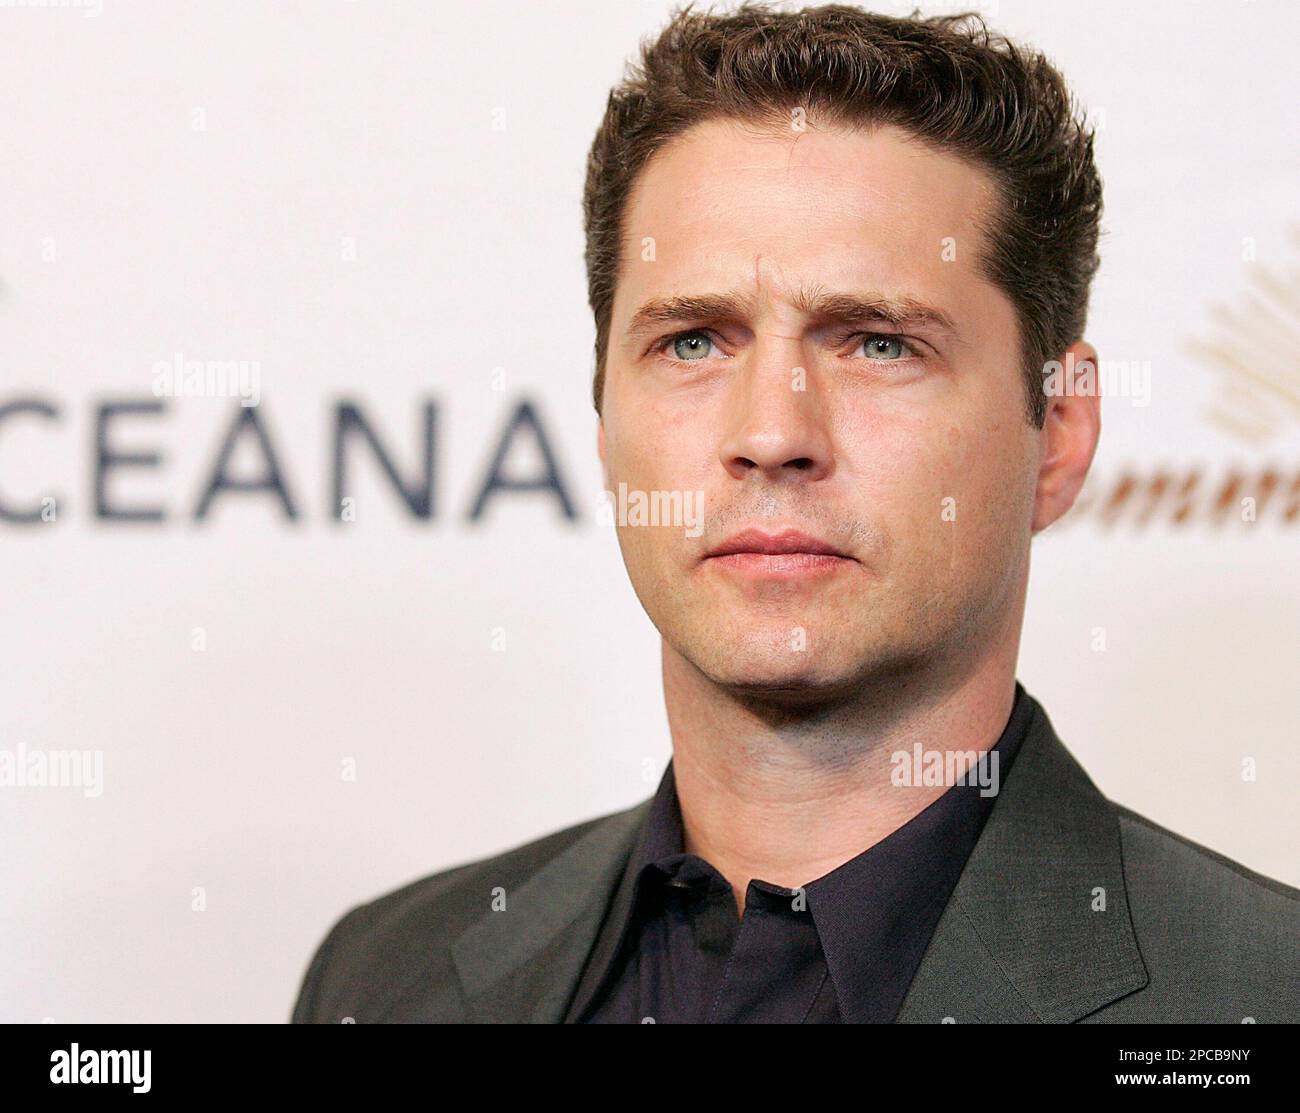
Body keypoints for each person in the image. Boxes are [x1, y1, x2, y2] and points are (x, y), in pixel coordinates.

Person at [291, 3, 1300, 1024]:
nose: (772, 433)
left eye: (877, 343)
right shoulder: (384, 977)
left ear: (1062, 431)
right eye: (692, 342)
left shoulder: (1261, 994)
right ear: (602, 418)